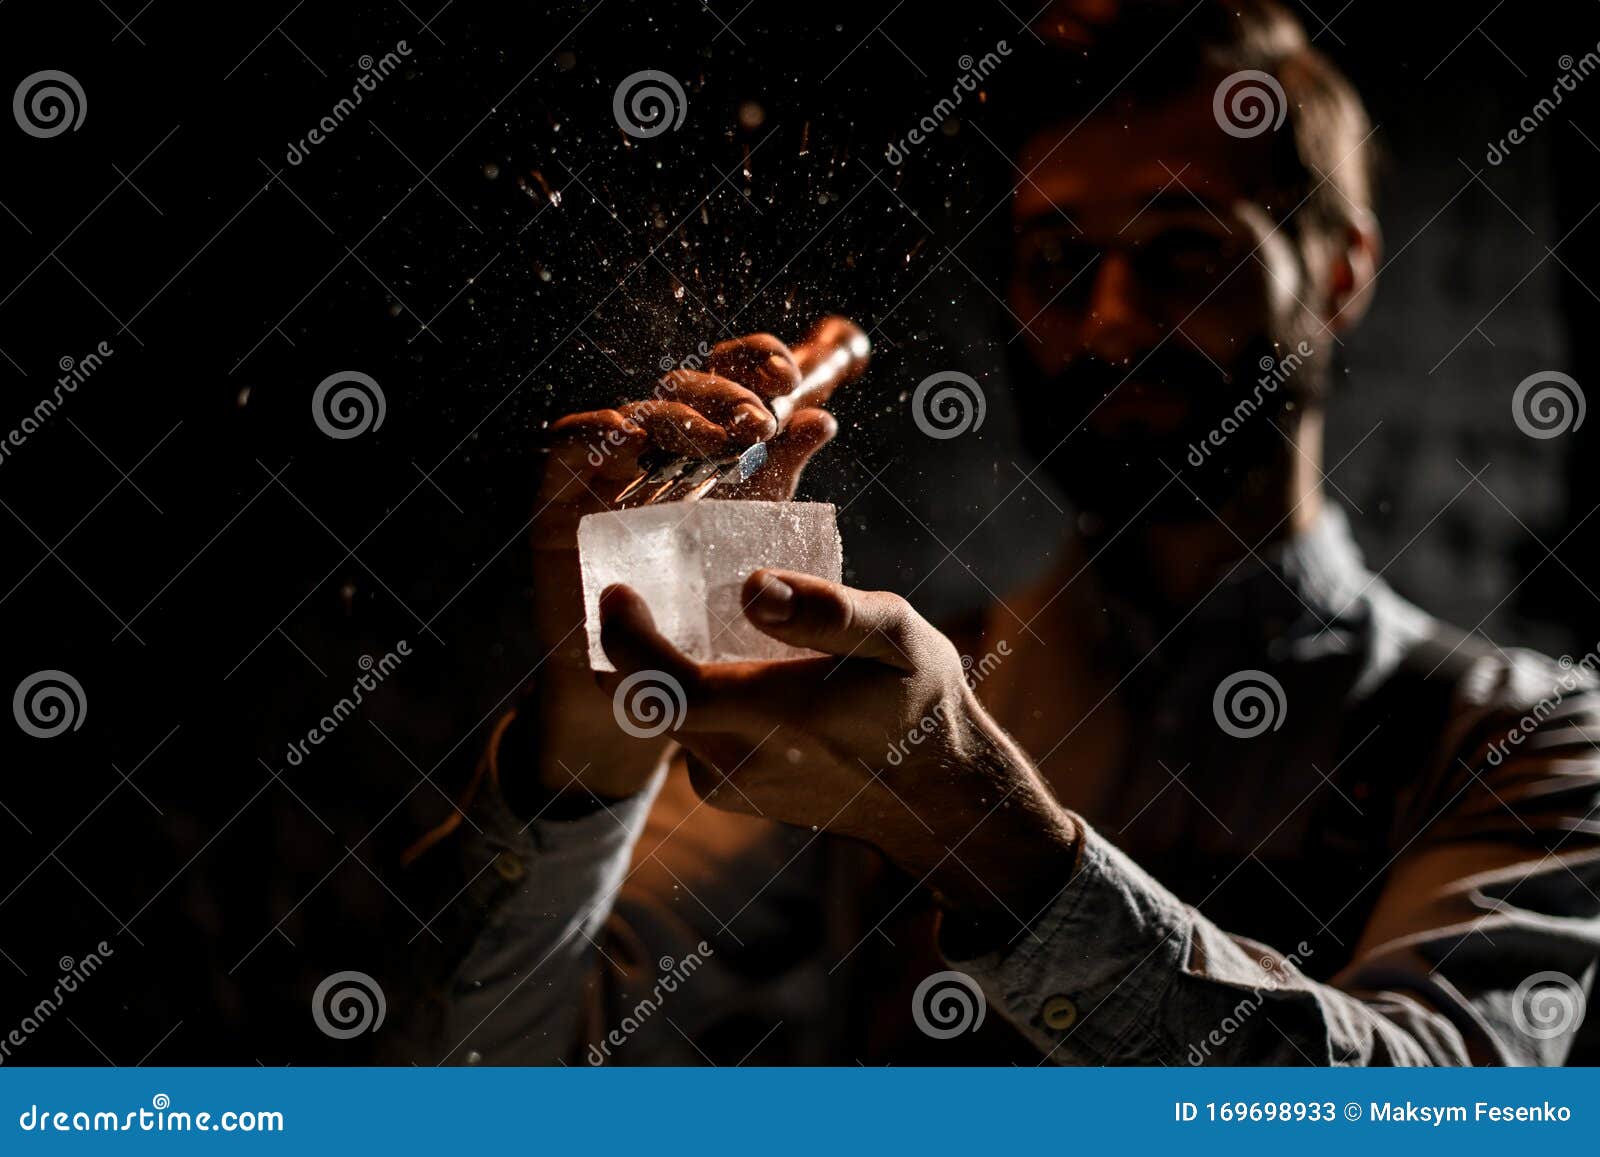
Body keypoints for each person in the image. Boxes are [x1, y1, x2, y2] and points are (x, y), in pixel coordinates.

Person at [400, 0, 1600, 1065]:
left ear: (1337, 272)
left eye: (1184, 248)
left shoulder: (1525, 737)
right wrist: (584, 761)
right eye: (1055, 257)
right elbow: (473, 1084)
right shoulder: (838, 715)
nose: (1111, 315)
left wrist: (988, 836)